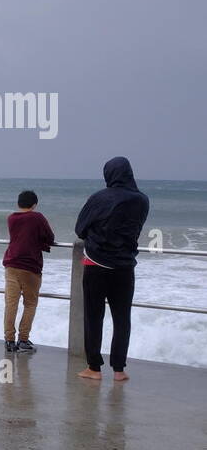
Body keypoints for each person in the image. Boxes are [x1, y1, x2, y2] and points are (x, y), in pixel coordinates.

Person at [74, 157, 150, 382]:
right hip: (125, 267)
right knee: (122, 318)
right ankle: (119, 369)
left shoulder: (99, 198)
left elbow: (80, 229)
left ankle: (94, 368)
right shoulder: (142, 200)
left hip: (96, 265)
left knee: (94, 316)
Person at [2, 190, 55, 353]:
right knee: (30, 304)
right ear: (34, 204)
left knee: (11, 304)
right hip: (30, 266)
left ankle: (9, 340)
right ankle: (23, 339)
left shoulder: (12, 218)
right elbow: (50, 237)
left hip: (11, 264)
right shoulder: (37, 217)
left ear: (19, 204)